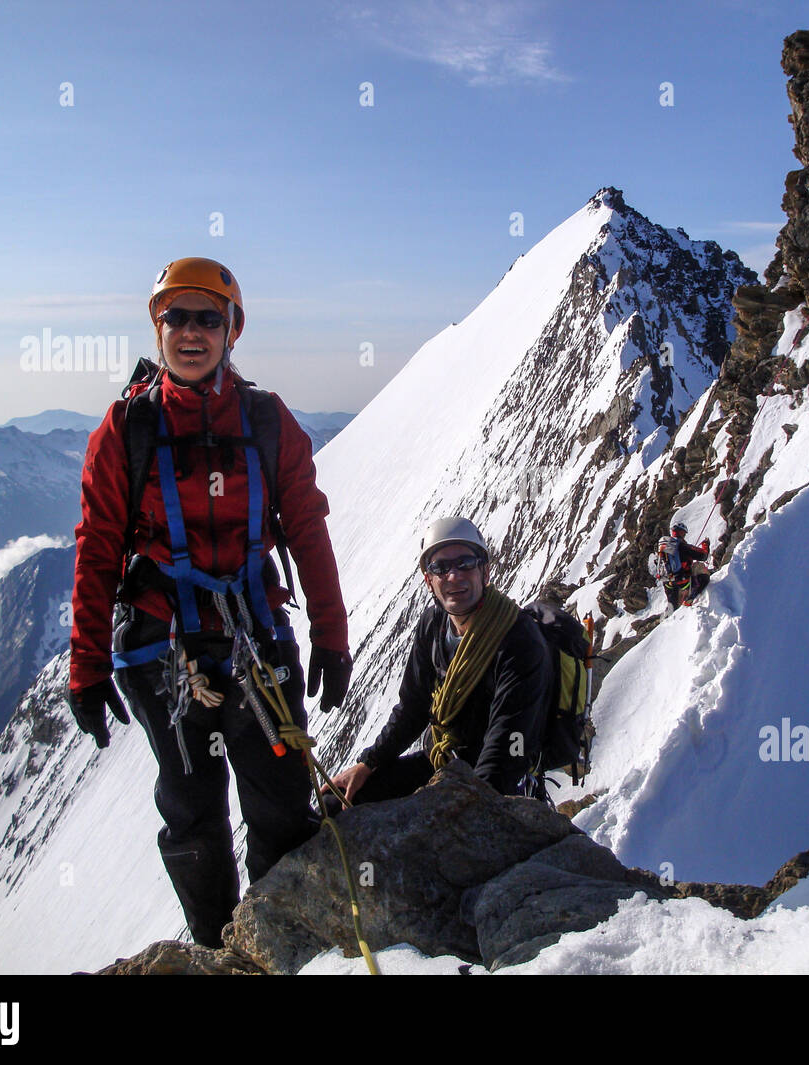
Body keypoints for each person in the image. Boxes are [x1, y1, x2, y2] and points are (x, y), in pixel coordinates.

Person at [67, 256, 352, 948]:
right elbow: (98, 546)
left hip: (254, 634)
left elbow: (308, 530)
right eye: (177, 317)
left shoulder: (266, 421)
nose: (192, 332)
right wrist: (86, 666)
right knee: (194, 812)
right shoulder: (124, 430)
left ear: (233, 329)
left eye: (208, 317)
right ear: (157, 326)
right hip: (164, 649)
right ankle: (221, 950)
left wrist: (332, 634)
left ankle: (282, 941)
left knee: (281, 807)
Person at [325, 516, 551, 806]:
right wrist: (369, 762)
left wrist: (473, 808)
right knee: (336, 803)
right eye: (441, 568)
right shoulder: (433, 624)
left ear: (485, 571)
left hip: (498, 777)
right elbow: (414, 708)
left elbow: (511, 741)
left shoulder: (519, 640)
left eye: (465, 563)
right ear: (428, 580)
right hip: (444, 761)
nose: (454, 576)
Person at [657, 521, 710, 609]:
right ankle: (689, 599)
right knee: (704, 577)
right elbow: (703, 556)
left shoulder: (666, 547)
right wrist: (705, 545)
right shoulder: (682, 546)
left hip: (668, 583)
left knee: (673, 606)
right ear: (682, 533)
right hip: (682, 581)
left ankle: (671, 612)